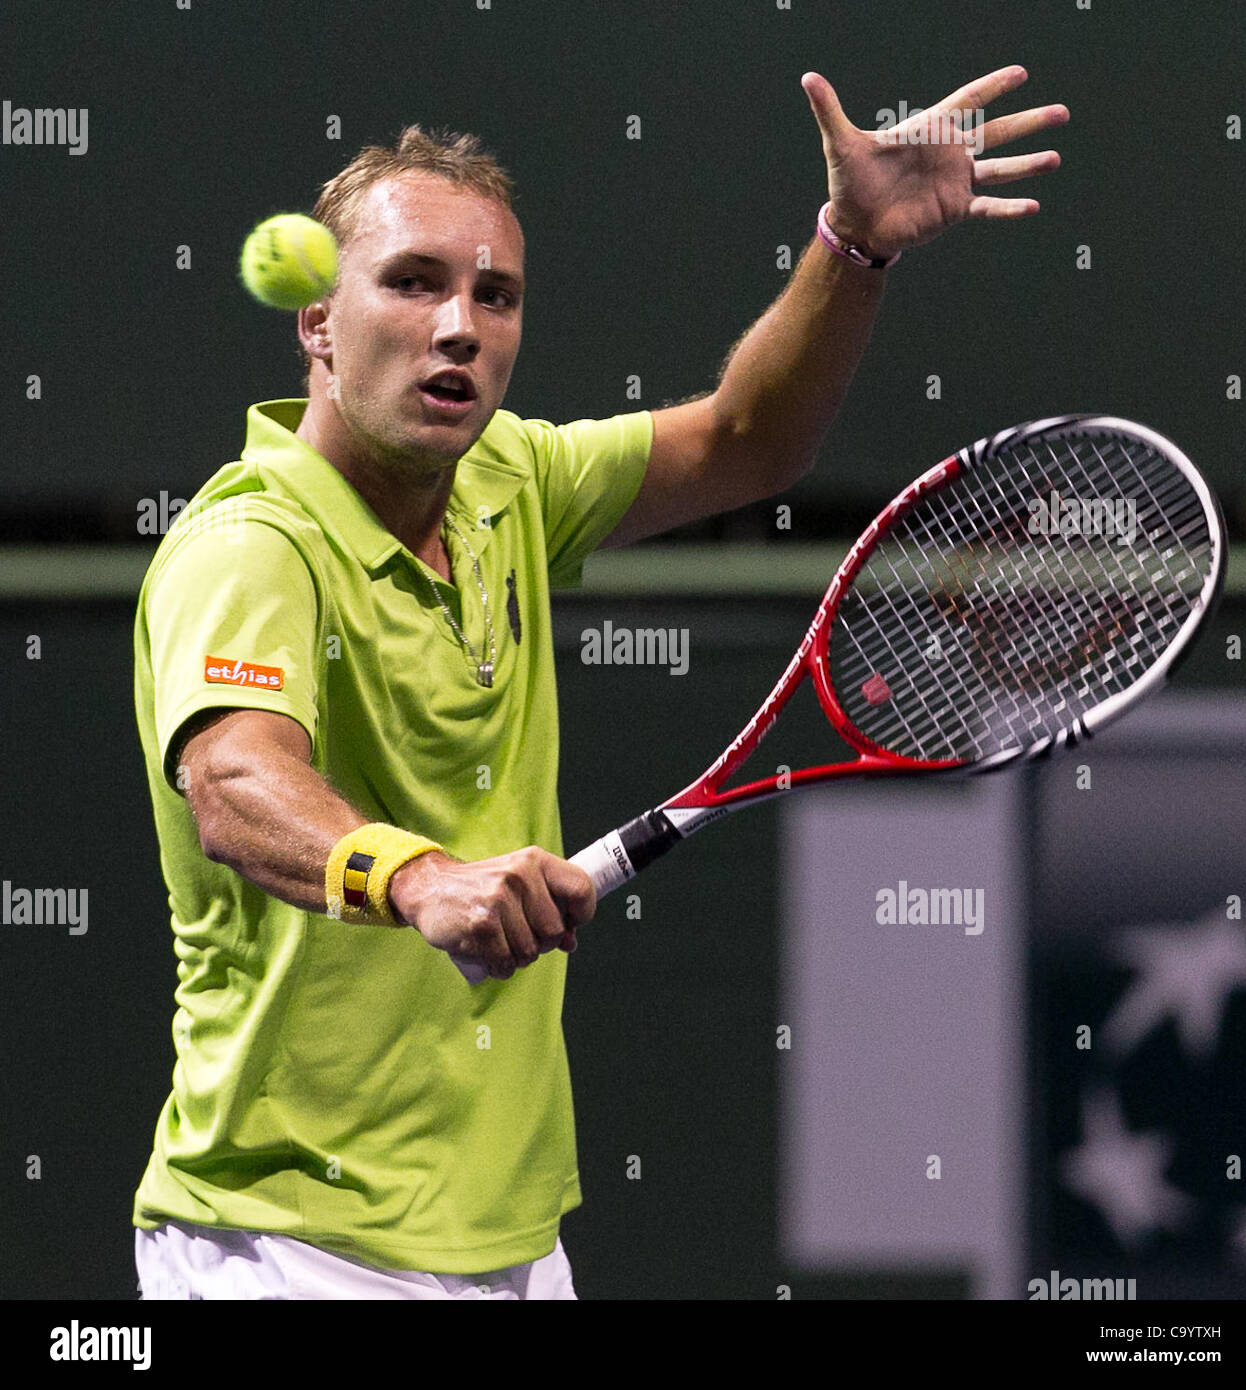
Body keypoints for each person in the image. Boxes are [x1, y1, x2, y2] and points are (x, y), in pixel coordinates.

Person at [132, 66, 1066, 1300]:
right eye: (412, 283)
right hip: (285, 1244)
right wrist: (416, 876)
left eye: (494, 294)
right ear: (315, 319)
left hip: (509, 1238)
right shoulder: (251, 542)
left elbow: (747, 439)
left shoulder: (508, 480)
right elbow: (236, 779)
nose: (459, 324)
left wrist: (850, 247)